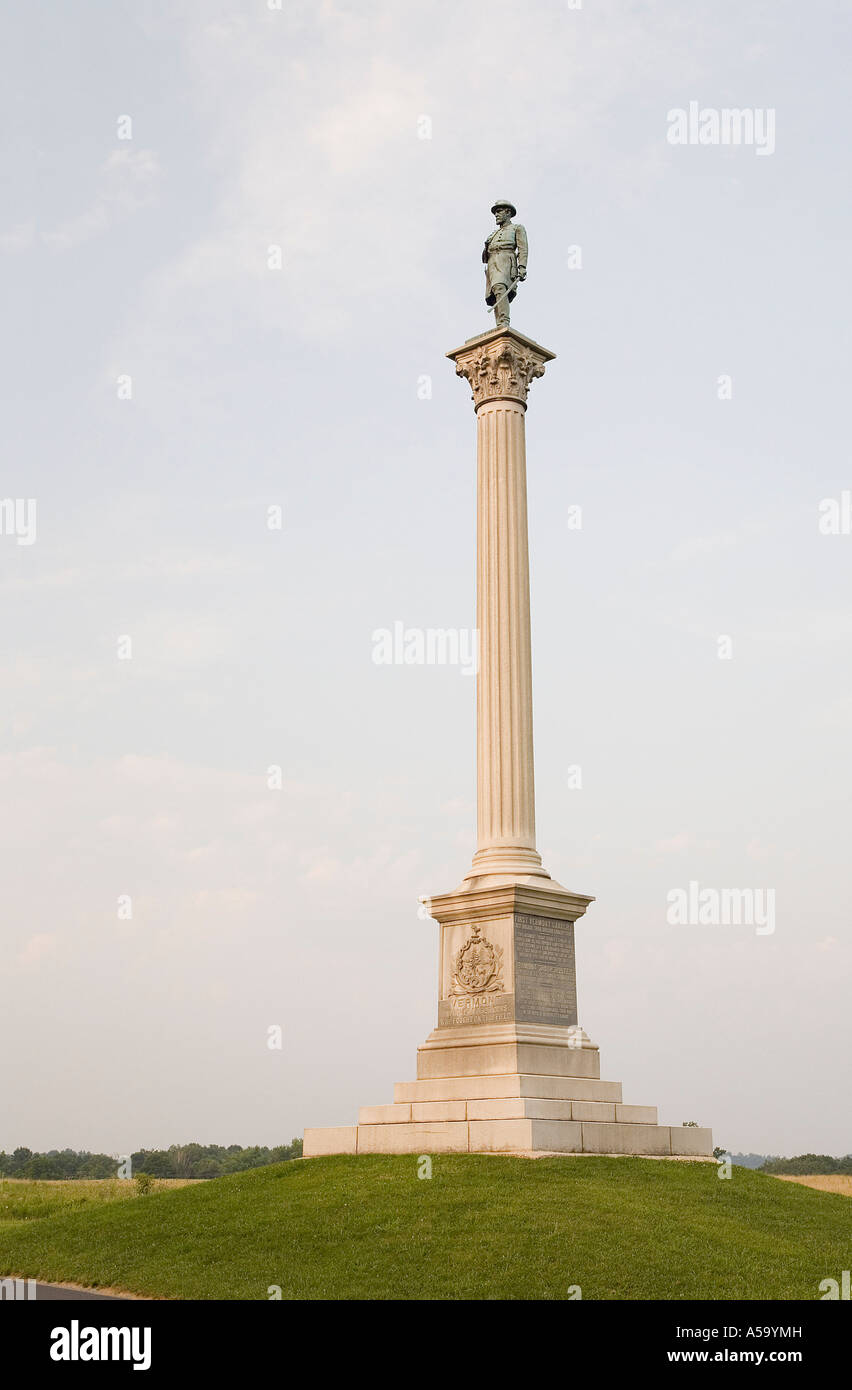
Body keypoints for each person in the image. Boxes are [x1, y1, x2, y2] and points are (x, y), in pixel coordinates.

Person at [482, 200, 528, 328]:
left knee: (500, 287)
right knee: (495, 292)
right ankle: (499, 324)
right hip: (492, 263)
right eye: (495, 212)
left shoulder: (517, 228)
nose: (496, 215)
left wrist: (522, 266)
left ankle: (504, 321)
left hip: (506, 260)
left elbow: (523, 248)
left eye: (499, 211)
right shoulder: (493, 234)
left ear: (508, 212)